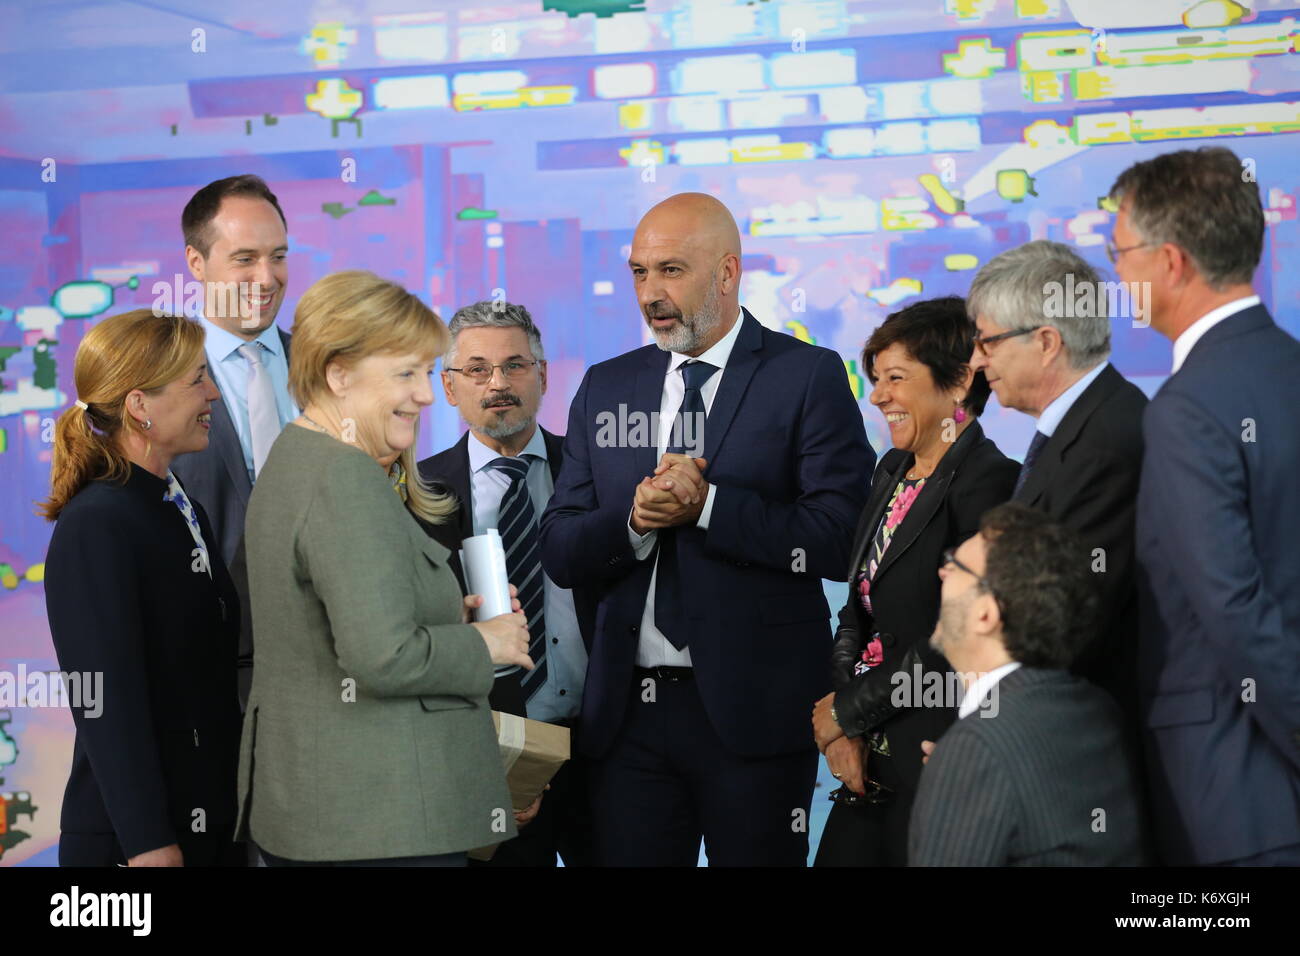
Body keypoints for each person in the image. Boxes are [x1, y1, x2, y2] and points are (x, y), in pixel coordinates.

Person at [540, 193, 873, 866]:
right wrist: (633, 518)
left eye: (669, 270)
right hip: (626, 723)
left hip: (758, 719)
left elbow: (839, 538)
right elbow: (561, 546)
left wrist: (711, 508)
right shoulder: (607, 387)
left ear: (727, 272)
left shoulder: (806, 375)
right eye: (639, 272)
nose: (650, 293)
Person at [236, 271, 532, 866]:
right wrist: (485, 644)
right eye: (406, 374)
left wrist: (449, 615)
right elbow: (383, 658)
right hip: (382, 823)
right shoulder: (344, 476)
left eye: (426, 373)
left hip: (331, 815)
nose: (426, 395)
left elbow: (339, 623)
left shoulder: (296, 457)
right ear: (338, 374)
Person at [1109, 146, 1300, 866]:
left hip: (1239, 791)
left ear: (1170, 262)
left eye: (1121, 252)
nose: (1116, 274)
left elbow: (1234, 609)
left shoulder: (1187, 408)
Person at [811, 296, 1019, 867]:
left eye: (896, 378)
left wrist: (848, 712)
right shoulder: (890, 471)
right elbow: (856, 611)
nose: (878, 395)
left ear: (958, 383)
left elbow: (957, 637)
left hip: (937, 757)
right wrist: (843, 731)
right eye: (876, 379)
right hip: (867, 765)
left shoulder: (992, 481)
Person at [41, 309, 242, 867]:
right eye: (197, 379)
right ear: (139, 405)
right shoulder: (97, 523)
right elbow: (104, 702)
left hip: (206, 828)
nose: (213, 396)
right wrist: (150, 843)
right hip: (137, 848)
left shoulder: (181, 507)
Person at [417, 300, 593, 867]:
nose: (498, 383)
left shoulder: (596, 476)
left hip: (608, 744)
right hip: (489, 752)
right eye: (477, 370)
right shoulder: (415, 496)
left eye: (515, 365)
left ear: (543, 376)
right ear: (448, 386)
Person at [966, 240, 1148, 730]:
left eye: (987, 342)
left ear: (1046, 342)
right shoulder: (1085, 426)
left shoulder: (1109, 440)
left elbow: (1073, 619)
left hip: (1085, 732)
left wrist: (989, 738)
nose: (978, 362)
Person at [909, 503, 1147, 866]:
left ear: (985, 614)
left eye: (955, 564)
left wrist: (965, 766)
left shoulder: (978, 748)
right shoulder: (1099, 708)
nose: (942, 572)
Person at [171, 174, 298, 710]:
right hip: (204, 682)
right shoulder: (156, 384)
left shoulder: (331, 372)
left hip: (333, 677)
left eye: (278, 256)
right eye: (244, 258)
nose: (266, 277)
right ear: (197, 264)